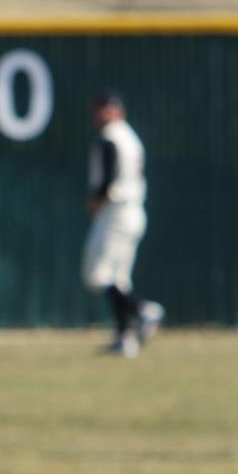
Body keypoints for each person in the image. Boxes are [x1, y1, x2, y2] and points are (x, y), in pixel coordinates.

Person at [82, 90, 163, 357]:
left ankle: (142, 311)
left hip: (116, 211)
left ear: (116, 110)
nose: (99, 114)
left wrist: (97, 199)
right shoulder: (131, 137)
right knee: (118, 279)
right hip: (133, 210)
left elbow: (109, 174)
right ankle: (125, 337)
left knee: (98, 274)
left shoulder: (112, 137)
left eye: (104, 108)